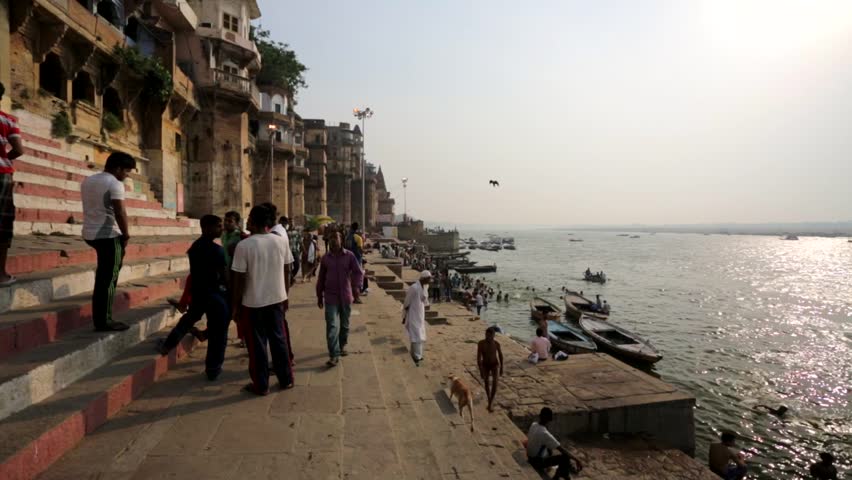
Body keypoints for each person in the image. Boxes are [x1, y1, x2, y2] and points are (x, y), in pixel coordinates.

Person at [230, 204, 294, 395]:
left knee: (257, 346)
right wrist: (285, 294)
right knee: (279, 341)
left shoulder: (244, 246)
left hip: (253, 303)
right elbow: (287, 270)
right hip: (276, 301)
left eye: (249, 217)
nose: (247, 220)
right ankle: (286, 380)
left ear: (256, 221)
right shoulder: (280, 241)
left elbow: (238, 279)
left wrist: (235, 306)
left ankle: (261, 385)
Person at [157, 215, 230, 380]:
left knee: (188, 320)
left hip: (199, 292)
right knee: (218, 334)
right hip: (215, 295)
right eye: (218, 226)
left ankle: (167, 345)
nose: (221, 229)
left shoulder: (195, 247)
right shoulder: (216, 250)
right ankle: (213, 369)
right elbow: (224, 276)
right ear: (206, 228)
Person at [81, 151, 136, 331]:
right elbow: (120, 212)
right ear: (118, 168)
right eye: (126, 172)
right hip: (108, 235)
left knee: (103, 278)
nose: (126, 176)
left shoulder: (88, 180)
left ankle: (101, 318)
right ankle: (104, 320)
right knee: (109, 280)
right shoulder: (115, 183)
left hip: (90, 233)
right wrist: (126, 234)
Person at [316, 231, 363, 367]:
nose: (332, 240)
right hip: (330, 297)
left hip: (346, 296)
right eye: (330, 238)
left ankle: (342, 345)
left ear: (341, 240)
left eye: (335, 238)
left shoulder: (349, 256)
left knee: (344, 325)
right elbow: (321, 278)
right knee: (331, 326)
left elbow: (358, 272)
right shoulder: (326, 259)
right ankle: (334, 355)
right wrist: (319, 295)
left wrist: (356, 287)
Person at [0, 82, 24, 287]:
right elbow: (19, 149)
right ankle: (0, 274)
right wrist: (5, 158)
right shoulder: (8, 119)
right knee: (2, 224)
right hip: (2, 174)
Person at [526, 407, 583, 479]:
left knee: (550, 448)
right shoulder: (544, 433)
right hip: (536, 462)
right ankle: (558, 476)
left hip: (530, 456)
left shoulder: (533, 424)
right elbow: (562, 449)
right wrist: (577, 459)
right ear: (550, 419)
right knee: (565, 457)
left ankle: (564, 473)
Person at [403, 270, 431, 366]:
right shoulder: (414, 288)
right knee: (416, 334)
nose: (430, 281)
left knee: (419, 333)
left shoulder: (425, 287)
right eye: (429, 279)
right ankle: (416, 357)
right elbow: (407, 301)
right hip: (413, 313)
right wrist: (405, 312)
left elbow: (424, 299)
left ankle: (417, 354)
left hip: (420, 313)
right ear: (424, 279)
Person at [477, 326, 504, 412]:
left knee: (495, 383)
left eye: (489, 336)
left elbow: (500, 355)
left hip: (494, 365)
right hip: (485, 365)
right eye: (486, 335)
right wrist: (480, 370)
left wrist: (502, 367)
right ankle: (489, 399)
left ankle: (491, 402)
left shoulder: (496, 344)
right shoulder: (481, 344)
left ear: (493, 336)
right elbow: (478, 357)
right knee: (486, 382)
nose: (488, 337)